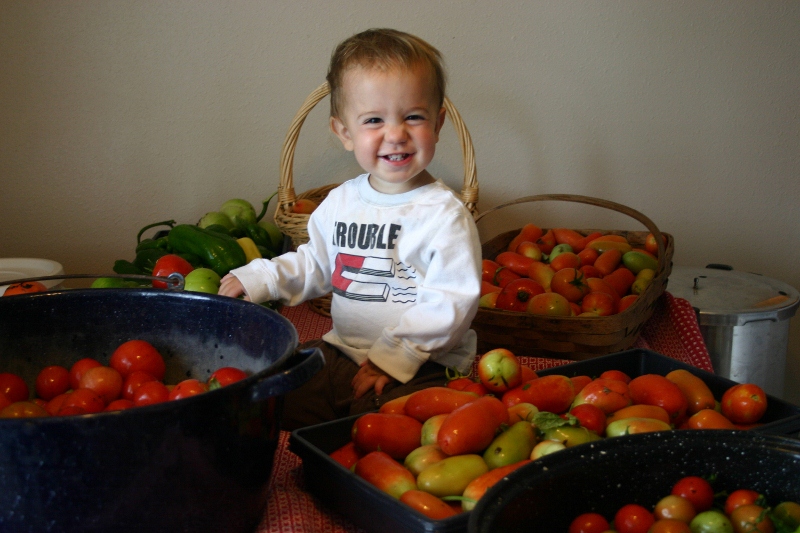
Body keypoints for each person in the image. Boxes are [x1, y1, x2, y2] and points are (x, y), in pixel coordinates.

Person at [218, 28, 481, 430]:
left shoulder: (444, 214)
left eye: (414, 116)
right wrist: (261, 277)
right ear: (344, 133)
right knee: (271, 392)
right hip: (342, 350)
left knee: (399, 426)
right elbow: (316, 262)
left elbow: (451, 300)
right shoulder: (341, 201)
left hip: (422, 361)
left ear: (439, 122)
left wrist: (395, 357)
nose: (396, 133)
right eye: (374, 120)